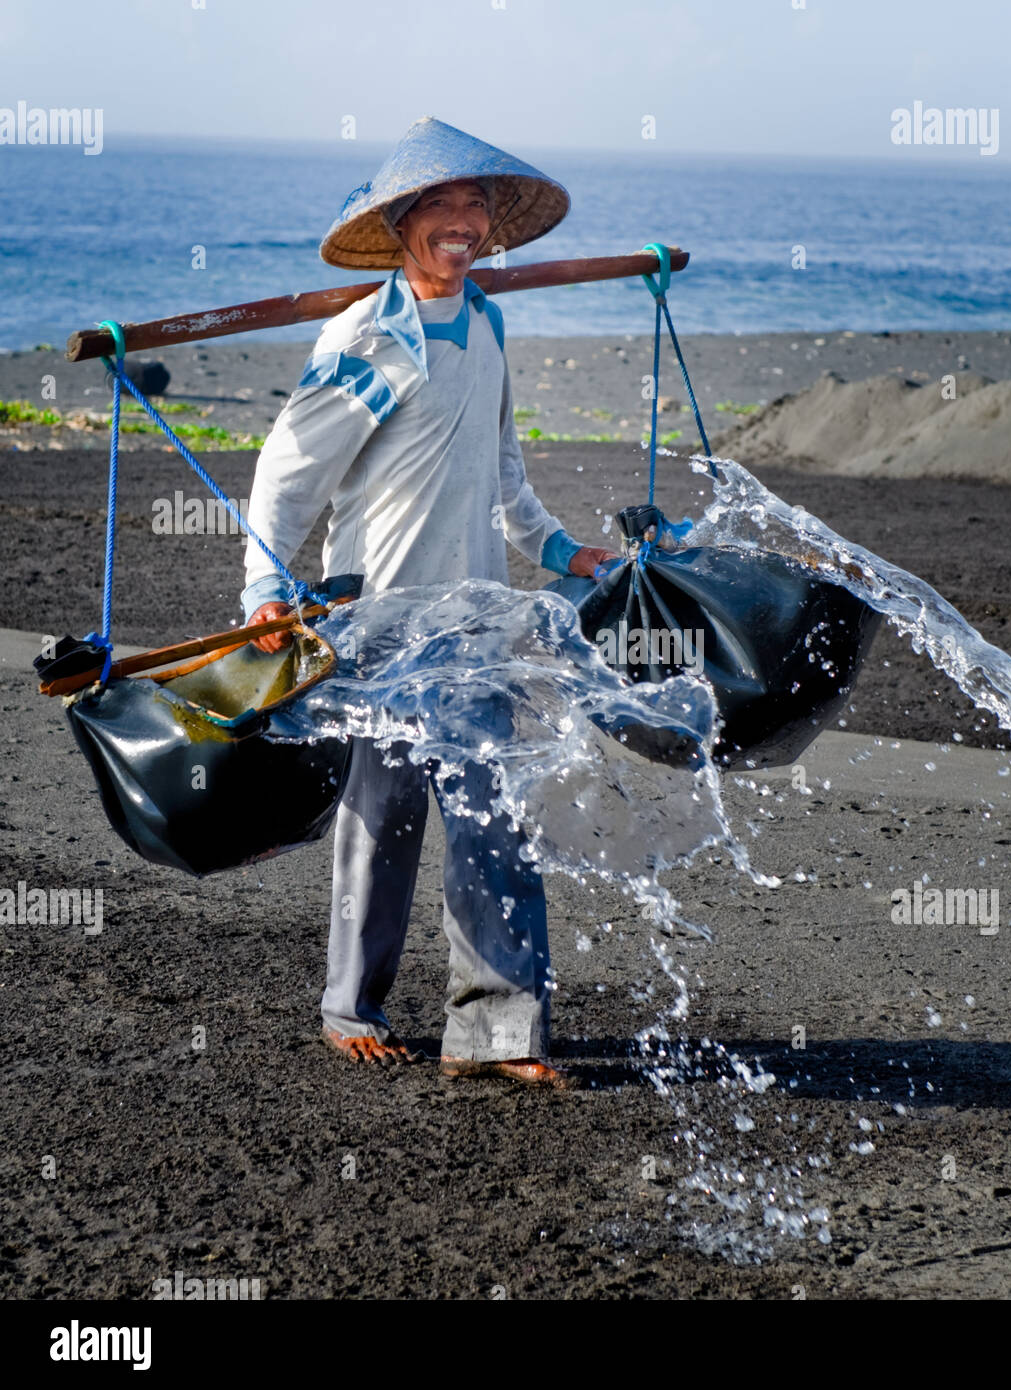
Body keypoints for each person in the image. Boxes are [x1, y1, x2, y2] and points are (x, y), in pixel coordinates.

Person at [240, 118, 619, 1086]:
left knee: (493, 817)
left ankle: (498, 1032)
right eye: (442, 205)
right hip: (379, 626)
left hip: (477, 625)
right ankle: (348, 1004)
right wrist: (262, 589)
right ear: (406, 223)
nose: (463, 221)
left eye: (475, 205)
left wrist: (563, 548)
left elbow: (506, 480)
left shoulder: (487, 322)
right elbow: (287, 475)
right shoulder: (368, 338)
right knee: (384, 816)